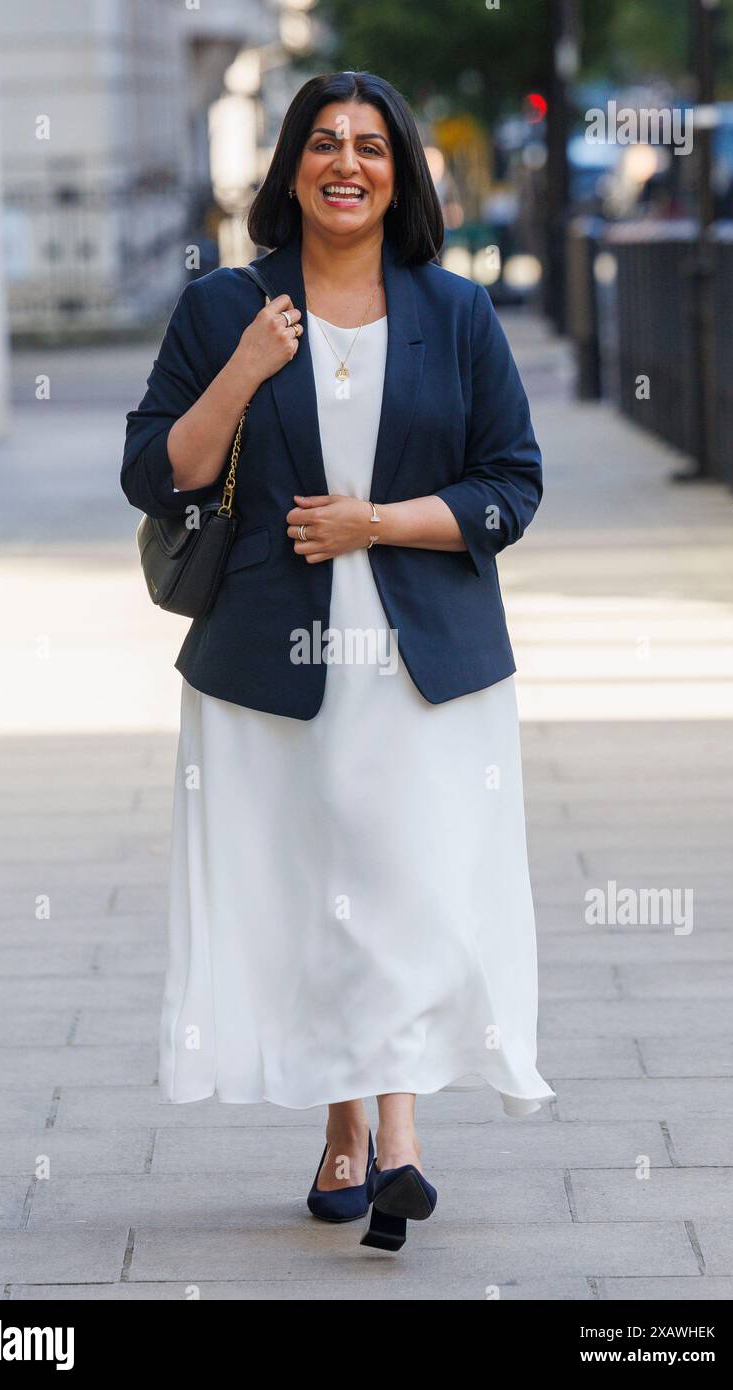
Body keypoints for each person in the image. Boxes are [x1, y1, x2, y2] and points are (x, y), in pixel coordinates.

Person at [122, 70, 555, 1253]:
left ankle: (391, 1141)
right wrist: (246, 367)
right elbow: (153, 474)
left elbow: (509, 487)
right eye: (322, 142)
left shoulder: (454, 310)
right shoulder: (224, 307)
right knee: (324, 890)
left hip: (427, 656)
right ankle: (349, 1135)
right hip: (275, 658)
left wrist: (376, 522)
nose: (346, 163)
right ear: (291, 168)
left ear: (399, 172)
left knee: (406, 883)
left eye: (369, 144)